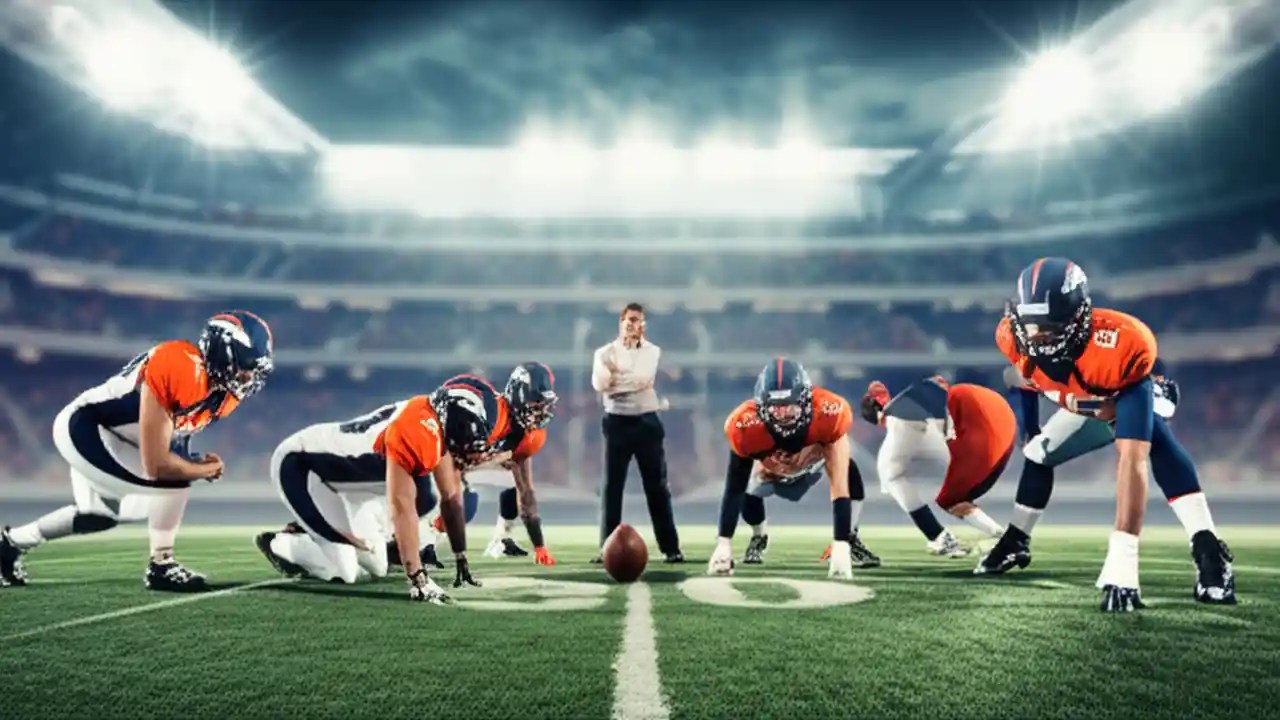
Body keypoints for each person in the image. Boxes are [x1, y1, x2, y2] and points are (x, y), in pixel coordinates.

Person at [979, 257, 1234, 612]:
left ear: (1079, 318)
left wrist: (1123, 561)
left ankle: (1209, 550)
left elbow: (1132, 460)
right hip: (1088, 404)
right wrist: (1031, 427)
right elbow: (1019, 377)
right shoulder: (1012, 337)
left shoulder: (1119, 345)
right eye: (1032, 328)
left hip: (1128, 392)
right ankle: (1016, 540)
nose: (1039, 339)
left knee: (1152, 440)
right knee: (1037, 454)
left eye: (1052, 328)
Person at [1, 311, 273, 592]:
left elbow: (174, 441)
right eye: (247, 364)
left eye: (256, 368)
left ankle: (9, 544)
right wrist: (203, 469)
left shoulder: (222, 398)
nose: (249, 375)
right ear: (222, 350)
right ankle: (162, 565)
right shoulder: (180, 362)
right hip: (87, 427)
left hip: (122, 439)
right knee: (166, 484)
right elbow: (158, 465)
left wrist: (192, 462)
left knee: (98, 517)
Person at [255, 380, 494, 603]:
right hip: (304, 467)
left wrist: (461, 557)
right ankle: (282, 542)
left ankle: (319, 535)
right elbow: (402, 507)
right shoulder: (415, 433)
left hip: (353, 483)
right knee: (345, 571)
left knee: (377, 565)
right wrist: (418, 579)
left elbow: (451, 497)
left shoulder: (434, 423)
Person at [707, 357, 877, 578]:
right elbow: (733, 488)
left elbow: (839, 485)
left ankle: (850, 535)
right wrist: (723, 545)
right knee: (747, 496)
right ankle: (760, 535)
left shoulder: (829, 412)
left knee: (848, 470)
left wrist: (840, 543)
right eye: (775, 407)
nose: (783, 413)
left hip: (812, 464)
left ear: (806, 400)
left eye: (790, 404)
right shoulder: (745, 425)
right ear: (761, 405)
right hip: (772, 471)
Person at [860, 376, 1013, 556]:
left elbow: (929, 389)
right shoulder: (913, 415)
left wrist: (945, 424)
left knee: (891, 475)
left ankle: (943, 537)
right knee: (954, 497)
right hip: (999, 416)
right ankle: (1004, 538)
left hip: (977, 422)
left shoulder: (898, 413)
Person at [590, 302, 683, 563]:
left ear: (644, 325)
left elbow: (642, 379)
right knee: (611, 488)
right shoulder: (604, 352)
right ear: (621, 322)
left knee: (657, 488)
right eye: (630, 319)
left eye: (638, 320)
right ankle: (605, 549)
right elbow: (600, 384)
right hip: (617, 422)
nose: (634, 324)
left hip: (646, 423)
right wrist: (616, 380)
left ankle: (671, 548)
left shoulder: (652, 351)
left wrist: (616, 379)